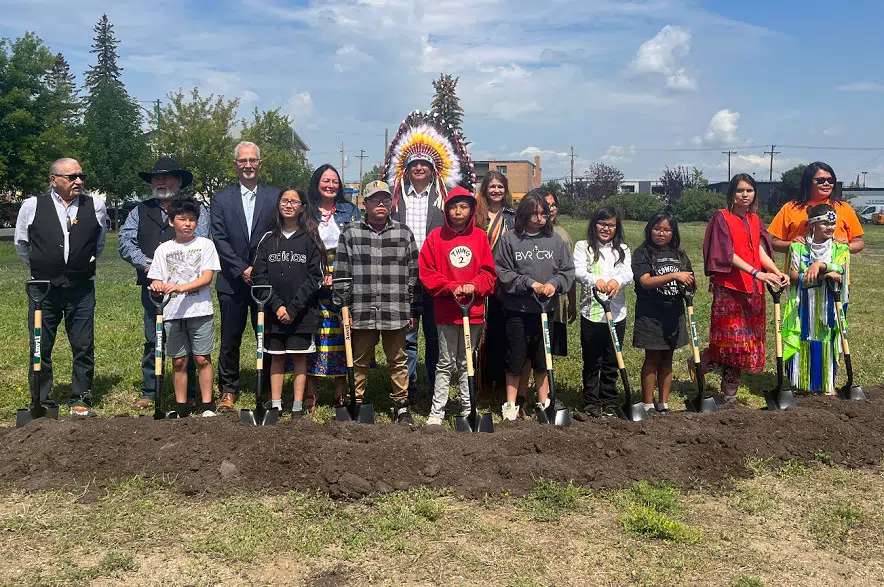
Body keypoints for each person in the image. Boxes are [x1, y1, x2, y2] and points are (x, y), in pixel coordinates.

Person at [14, 158, 108, 415]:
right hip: (43, 289)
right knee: (40, 343)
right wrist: (43, 267)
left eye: (81, 176)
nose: (78, 181)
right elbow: (22, 243)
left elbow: (98, 244)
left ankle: (81, 397)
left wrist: (80, 264)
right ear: (53, 180)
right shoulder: (32, 205)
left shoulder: (96, 206)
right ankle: (40, 398)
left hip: (81, 287)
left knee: (83, 343)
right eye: (71, 176)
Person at [120, 157, 206, 410]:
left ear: (178, 181)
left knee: (187, 340)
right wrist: (148, 265)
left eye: (166, 177)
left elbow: (200, 242)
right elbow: (125, 242)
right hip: (153, 288)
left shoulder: (196, 210)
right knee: (153, 338)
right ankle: (150, 390)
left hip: (186, 289)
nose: (160, 181)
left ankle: (189, 392)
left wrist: (174, 271)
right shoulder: (140, 210)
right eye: (156, 178)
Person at [333, 180, 420, 425]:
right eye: (374, 199)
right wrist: (343, 309)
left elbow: (414, 275)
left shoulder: (403, 233)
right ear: (365, 204)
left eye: (385, 199)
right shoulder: (350, 233)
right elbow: (341, 274)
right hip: (361, 309)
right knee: (359, 360)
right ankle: (356, 401)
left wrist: (414, 309)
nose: (380, 204)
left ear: (391, 203)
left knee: (398, 360)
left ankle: (401, 404)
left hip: (396, 309)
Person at [701, 174, 789, 402]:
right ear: (732, 194)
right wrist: (757, 273)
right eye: (740, 190)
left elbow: (759, 250)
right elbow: (726, 253)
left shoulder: (755, 220)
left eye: (749, 190)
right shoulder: (721, 217)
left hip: (753, 288)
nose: (745, 195)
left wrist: (775, 271)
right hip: (730, 287)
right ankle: (705, 362)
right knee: (730, 341)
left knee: (746, 341)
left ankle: (728, 388)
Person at [211, 141, 281, 410]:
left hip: (266, 281)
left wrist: (259, 270)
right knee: (230, 338)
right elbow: (219, 237)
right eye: (243, 161)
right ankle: (228, 389)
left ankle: (266, 389)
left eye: (252, 160)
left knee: (266, 336)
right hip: (232, 280)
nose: (248, 165)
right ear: (235, 165)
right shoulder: (221, 199)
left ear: (260, 163)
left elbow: (278, 235)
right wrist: (241, 268)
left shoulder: (274, 196)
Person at [418, 186, 497, 426]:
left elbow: (489, 273)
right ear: (446, 210)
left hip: (472, 311)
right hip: (447, 312)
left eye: (463, 207)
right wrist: (450, 287)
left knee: (466, 362)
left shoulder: (480, 238)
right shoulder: (436, 238)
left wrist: (474, 285)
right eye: (453, 207)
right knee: (445, 362)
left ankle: (468, 408)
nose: (458, 211)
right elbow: (427, 272)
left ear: (472, 210)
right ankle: (437, 412)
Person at [493, 190, 575, 421]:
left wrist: (554, 284)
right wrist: (529, 284)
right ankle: (511, 405)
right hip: (517, 311)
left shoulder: (555, 240)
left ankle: (544, 401)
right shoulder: (510, 239)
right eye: (534, 214)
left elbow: (567, 270)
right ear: (524, 214)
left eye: (544, 214)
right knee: (515, 359)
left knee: (542, 359)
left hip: (545, 310)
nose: (540, 218)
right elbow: (503, 272)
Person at [252, 188, 325, 417]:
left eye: (294, 201)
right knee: (277, 357)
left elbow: (316, 276)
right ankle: (275, 404)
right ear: (278, 205)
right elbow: (259, 276)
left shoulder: (310, 238)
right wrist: (277, 306)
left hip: (301, 313)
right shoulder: (268, 238)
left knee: (300, 356)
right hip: (274, 313)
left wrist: (293, 308)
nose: (289, 205)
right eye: (285, 201)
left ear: (302, 207)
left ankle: (297, 405)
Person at [146, 196, 220, 417]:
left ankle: (207, 405)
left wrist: (179, 288)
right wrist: (157, 286)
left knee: (202, 358)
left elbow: (206, 277)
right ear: (171, 222)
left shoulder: (205, 245)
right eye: (182, 219)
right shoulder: (163, 250)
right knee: (179, 361)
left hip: (200, 311)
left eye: (192, 219)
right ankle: (181, 405)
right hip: (173, 313)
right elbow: (157, 279)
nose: (188, 224)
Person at [304, 164, 361, 411]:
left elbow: (357, 244)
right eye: (326, 181)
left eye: (334, 181)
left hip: (343, 278)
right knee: (314, 335)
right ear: (317, 183)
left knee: (342, 335)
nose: (330, 185)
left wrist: (337, 275)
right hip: (312, 280)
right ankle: (310, 393)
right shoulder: (306, 211)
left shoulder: (350, 210)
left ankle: (341, 392)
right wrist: (319, 275)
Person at [391, 153, 445, 399]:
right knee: (407, 334)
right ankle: (408, 387)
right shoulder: (397, 198)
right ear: (407, 169)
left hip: (435, 274)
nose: (420, 167)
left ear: (433, 170)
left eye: (425, 164)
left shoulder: (442, 198)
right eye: (414, 164)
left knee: (435, 335)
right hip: (405, 275)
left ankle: (436, 386)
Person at [781, 203, 849, 394]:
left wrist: (819, 265)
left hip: (829, 304)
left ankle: (826, 383)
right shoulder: (798, 247)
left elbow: (841, 270)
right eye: (825, 223)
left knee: (827, 339)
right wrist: (823, 275)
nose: (830, 227)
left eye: (832, 223)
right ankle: (802, 383)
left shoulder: (839, 247)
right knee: (804, 337)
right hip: (804, 303)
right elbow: (793, 275)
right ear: (812, 224)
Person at [572, 206, 632, 419]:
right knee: (592, 360)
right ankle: (591, 400)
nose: (606, 229)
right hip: (591, 313)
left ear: (617, 227)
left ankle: (608, 398)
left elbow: (627, 272)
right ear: (594, 225)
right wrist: (595, 280)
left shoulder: (622, 249)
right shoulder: (583, 247)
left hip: (616, 314)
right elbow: (578, 270)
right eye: (602, 224)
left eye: (611, 225)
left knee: (612, 359)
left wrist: (617, 281)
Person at [632, 211, 693, 413]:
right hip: (650, 314)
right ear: (650, 229)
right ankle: (648, 403)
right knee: (652, 358)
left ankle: (663, 403)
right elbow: (645, 281)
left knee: (667, 358)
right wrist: (674, 275)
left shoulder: (679, 255)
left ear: (673, 233)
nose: (661, 233)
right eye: (657, 228)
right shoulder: (642, 253)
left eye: (667, 230)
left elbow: (690, 281)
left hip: (674, 314)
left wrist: (689, 284)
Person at [474, 171, 516, 403]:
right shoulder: (476, 215)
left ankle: (500, 383)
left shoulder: (512, 217)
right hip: (480, 279)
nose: (496, 191)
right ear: (485, 189)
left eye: (500, 187)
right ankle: (480, 383)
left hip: (503, 283)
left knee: (500, 333)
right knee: (480, 334)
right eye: (492, 187)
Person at [768, 162, 864, 262]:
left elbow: (859, 242)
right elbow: (775, 243)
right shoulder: (790, 208)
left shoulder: (844, 208)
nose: (826, 184)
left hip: (835, 269)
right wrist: (793, 245)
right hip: (800, 269)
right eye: (821, 180)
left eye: (830, 180)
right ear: (808, 182)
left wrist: (847, 247)